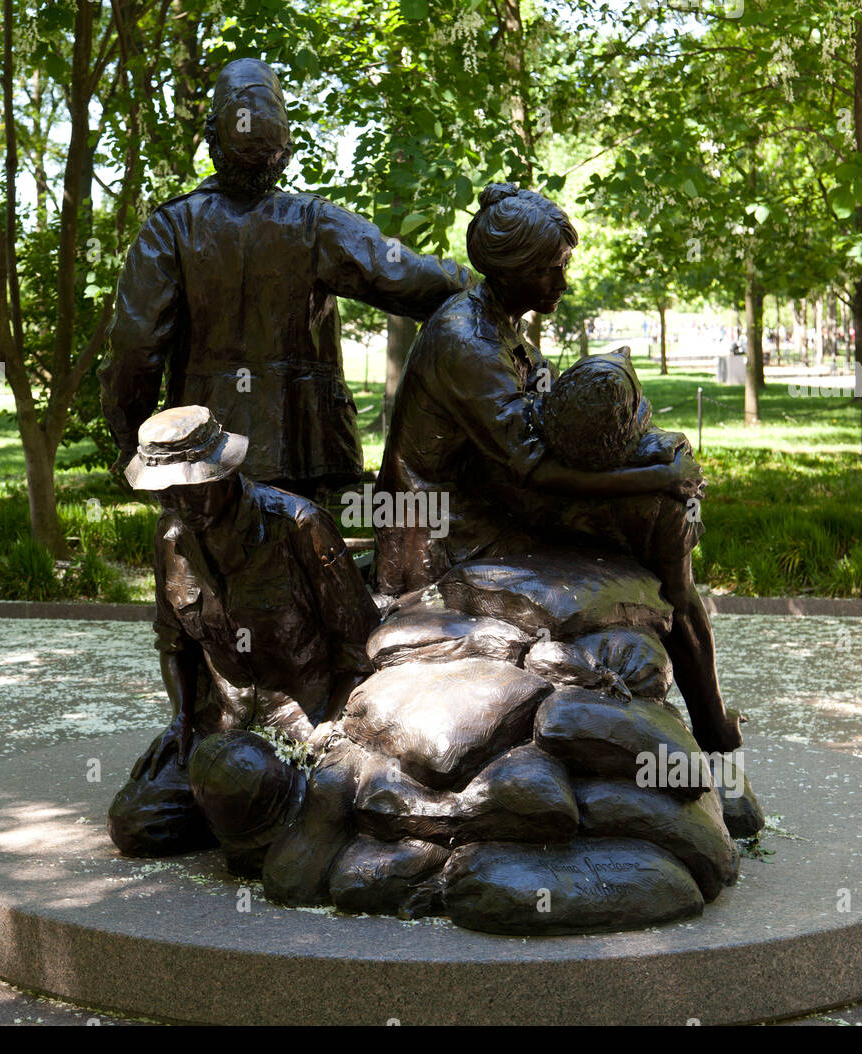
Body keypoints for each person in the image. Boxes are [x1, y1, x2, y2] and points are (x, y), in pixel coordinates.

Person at [374, 182, 742, 754]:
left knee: (665, 478)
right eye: (550, 270)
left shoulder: (498, 321)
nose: (562, 283)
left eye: (562, 266)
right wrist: (657, 480)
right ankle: (713, 731)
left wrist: (641, 443)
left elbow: (548, 411)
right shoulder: (467, 340)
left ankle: (710, 724)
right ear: (512, 269)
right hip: (454, 524)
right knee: (661, 515)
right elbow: (536, 467)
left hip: (497, 488)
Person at [99, 57, 472, 500]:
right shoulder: (314, 224)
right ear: (286, 151)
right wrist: (483, 281)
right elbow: (409, 276)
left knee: (207, 564)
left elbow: (134, 348)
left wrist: (131, 443)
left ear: (211, 139)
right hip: (308, 453)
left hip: (203, 457)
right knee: (313, 562)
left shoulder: (171, 228)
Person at [107, 405, 379, 856]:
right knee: (136, 824)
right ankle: (238, 815)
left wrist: (330, 725)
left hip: (301, 726)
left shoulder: (299, 525)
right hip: (220, 727)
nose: (174, 505)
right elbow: (174, 641)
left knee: (270, 817)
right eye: (164, 495)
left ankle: (252, 816)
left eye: (185, 491)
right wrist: (182, 717)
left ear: (221, 475)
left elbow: (358, 648)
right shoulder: (171, 535)